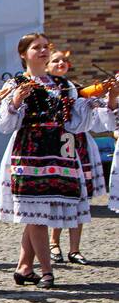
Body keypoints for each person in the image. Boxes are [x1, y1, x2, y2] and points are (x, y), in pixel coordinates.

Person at [0, 34, 113, 288]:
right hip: (30, 152)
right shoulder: (16, 83)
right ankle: (47, 271)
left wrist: (107, 98)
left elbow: (77, 121)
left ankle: (24, 267)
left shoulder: (63, 85)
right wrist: (15, 101)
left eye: (45, 47)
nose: (43, 51)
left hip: (58, 152)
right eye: (36, 47)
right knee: (35, 214)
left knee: (40, 212)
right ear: (24, 53)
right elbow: (4, 124)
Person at [46, 49, 101, 265]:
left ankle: (75, 249)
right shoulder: (43, 90)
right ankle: (53, 243)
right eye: (55, 60)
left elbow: (98, 111)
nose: (61, 63)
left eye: (64, 60)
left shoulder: (75, 89)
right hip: (55, 148)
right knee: (57, 197)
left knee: (80, 198)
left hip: (78, 148)